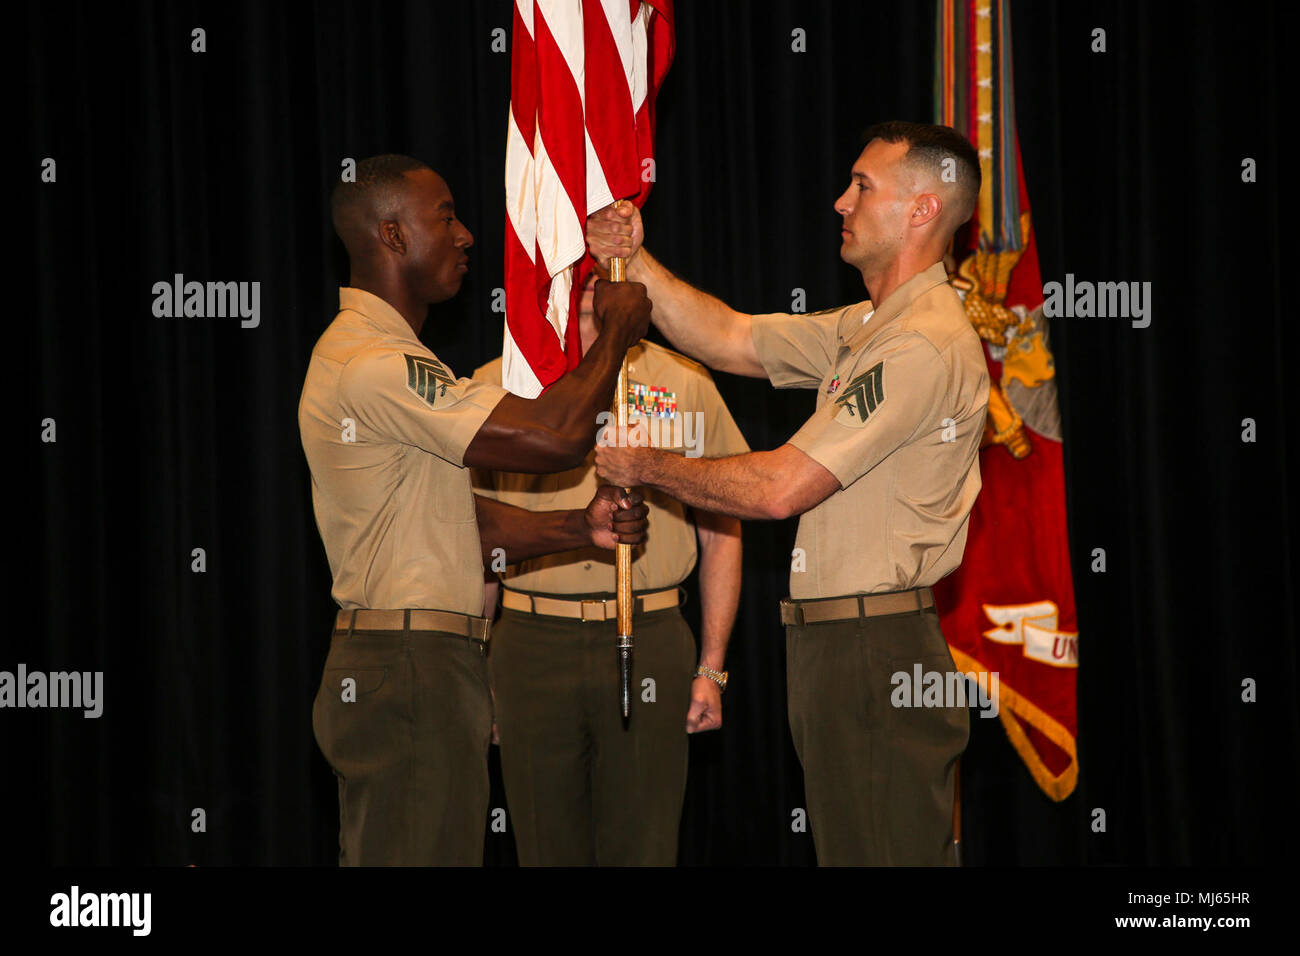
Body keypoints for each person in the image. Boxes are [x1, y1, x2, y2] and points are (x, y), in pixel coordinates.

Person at [587, 122, 991, 865]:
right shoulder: (869, 326)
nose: (840, 202)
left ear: (922, 210)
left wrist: (645, 465)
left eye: (863, 187)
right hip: (844, 642)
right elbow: (731, 336)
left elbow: (779, 489)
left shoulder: (919, 343)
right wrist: (632, 255)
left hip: (875, 647)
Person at [298, 154, 652, 865]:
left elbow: (458, 520)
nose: (465, 236)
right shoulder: (376, 363)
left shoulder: (386, 356)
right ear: (392, 236)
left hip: (415, 659)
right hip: (409, 664)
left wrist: (572, 530)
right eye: (446, 216)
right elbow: (553, 438)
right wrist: (614, 333)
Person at [471, 272, 749, 866]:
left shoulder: (684, 381)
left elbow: (723, 529)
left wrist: (713, 668)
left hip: (650, 636)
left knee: (645, 847)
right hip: (528, 645)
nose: (587, 271)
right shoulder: (497, 383)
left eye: (598, 255)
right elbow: (479, 536)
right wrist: (479, 667)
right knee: (544, 847)